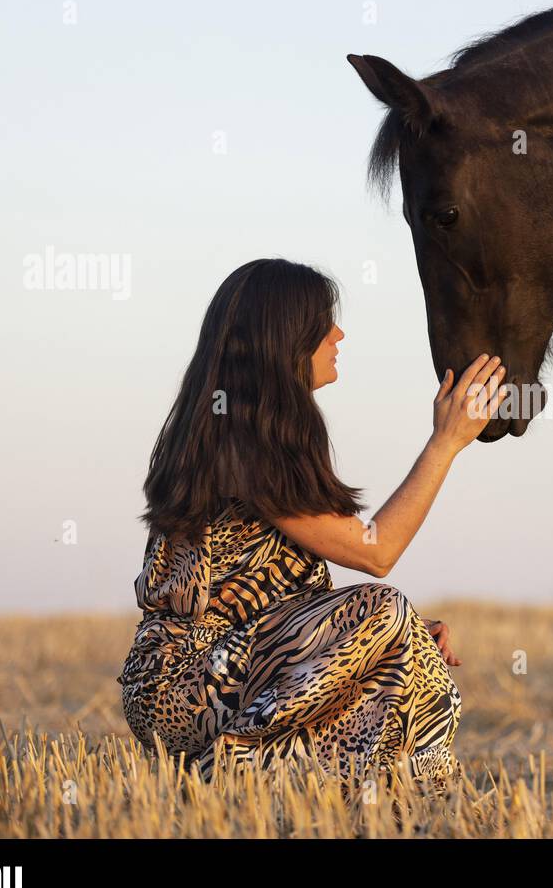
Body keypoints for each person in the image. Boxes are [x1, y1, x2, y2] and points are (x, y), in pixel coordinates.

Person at [117, 257, 506, 790]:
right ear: (286, 337)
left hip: (233, 667)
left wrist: (394, 634)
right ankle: (226, 777)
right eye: (325, 321)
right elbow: (375, 553)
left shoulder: (245, 431)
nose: (338, 334)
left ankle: (384, 801)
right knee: (387, 608)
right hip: (184, 682)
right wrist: (446, 443)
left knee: (413, 653)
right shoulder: (243, 442)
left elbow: (287, 602)